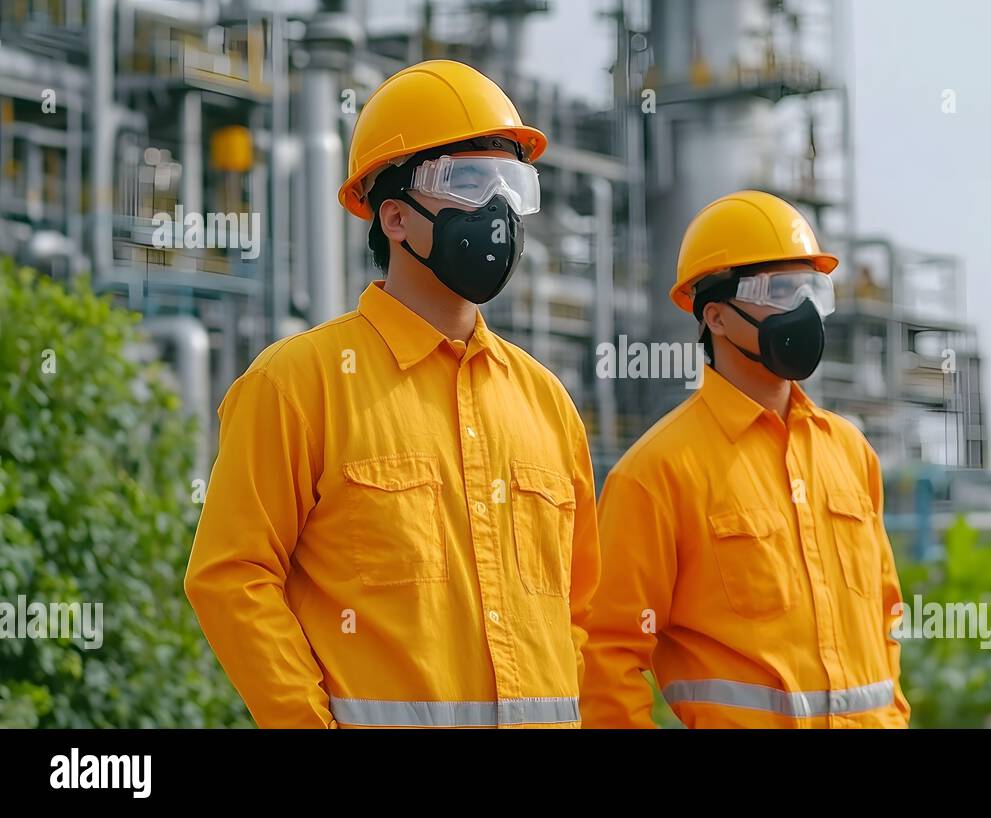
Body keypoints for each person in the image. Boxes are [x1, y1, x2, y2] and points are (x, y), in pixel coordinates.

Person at [185, 60, 599, 728]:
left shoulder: (548, 404)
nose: (495, 209)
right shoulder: (297, 384)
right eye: (466, 181)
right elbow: (232, 577)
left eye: (511, 183)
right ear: (395, 217)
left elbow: (580, 611)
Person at [580, 190, 909, 728]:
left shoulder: (850, 454)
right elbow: (605, 657)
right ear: (716, 315)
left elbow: (885, 616)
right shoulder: (656, 473)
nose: (801, 309)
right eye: (777, 290)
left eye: (811, 289)